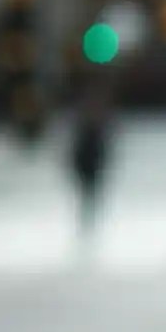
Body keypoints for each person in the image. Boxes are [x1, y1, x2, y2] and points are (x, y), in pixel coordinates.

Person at [70, 80, 113, 240]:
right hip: (86, 158)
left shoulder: (97, 125)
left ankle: (89, 209)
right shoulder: (84, 124)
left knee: (90, 187)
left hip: (92, 158)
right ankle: (87, 209)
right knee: (87, 187)